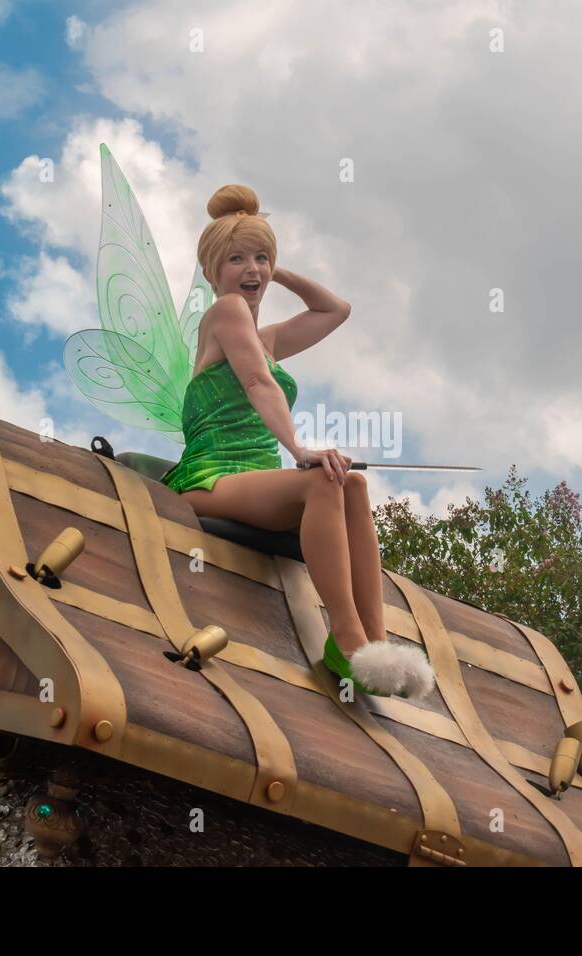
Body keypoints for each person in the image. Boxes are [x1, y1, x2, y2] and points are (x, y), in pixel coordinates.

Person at [161, 184, 434, 700]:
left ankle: (377, 642)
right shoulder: (225, 314)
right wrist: (301, 451)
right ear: (211, 273)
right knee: (321, 484)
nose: (252, 270)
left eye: (261, 259)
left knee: (349, 485)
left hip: (258, 482)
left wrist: (271, 267)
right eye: (235, 259)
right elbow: (258, 384)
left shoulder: (269, 339)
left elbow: (336, 310)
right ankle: (348, 641)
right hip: (212, 476)